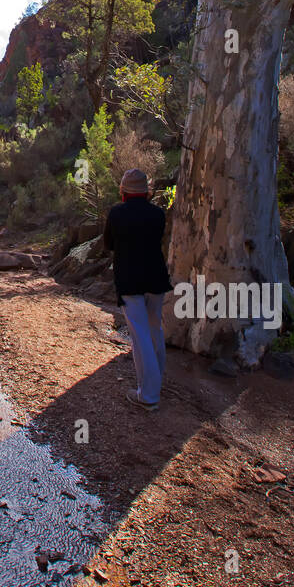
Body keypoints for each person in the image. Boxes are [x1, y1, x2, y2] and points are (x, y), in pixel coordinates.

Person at [103, 168, 172, 413]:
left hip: (130, 280)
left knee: (140, 336)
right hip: (156, 277)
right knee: (155, 330)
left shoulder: (117, 214)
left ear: (123, 190)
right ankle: (156, 383)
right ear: (146, 190)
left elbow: (108, 244)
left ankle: (148, 395)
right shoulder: (158, 214)